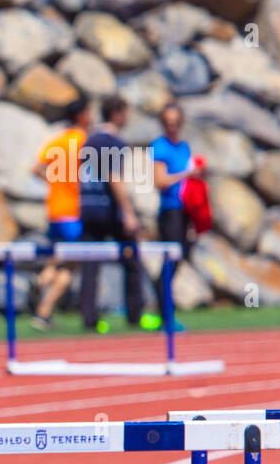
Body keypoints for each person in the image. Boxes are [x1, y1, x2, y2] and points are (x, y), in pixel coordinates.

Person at [78, 95, 147, 333]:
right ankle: (136, 315)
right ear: (117, 113)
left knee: (90, 265)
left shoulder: (88, 141)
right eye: (126, 113)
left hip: (87, 207)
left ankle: (89, 319)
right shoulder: (115, 143)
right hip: (108, 209)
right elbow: (113, 177)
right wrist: (128, 212)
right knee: (132, 260)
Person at [29, 98, 92, 330]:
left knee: (56, 257)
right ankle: (43, 312)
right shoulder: (84, 141)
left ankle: (42, 278)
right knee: (70, 266)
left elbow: (36, 167)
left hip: (54, 209)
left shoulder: (57, 141)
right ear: (82, 115)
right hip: (73, 211)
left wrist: (54, 181)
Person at [148, 101, 201, 332]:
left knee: (178, 261)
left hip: (185, 211)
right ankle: (165, 315)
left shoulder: (184, 147)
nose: (173, 127)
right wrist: (185, 174)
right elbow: (159, 181)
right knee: (170, 261)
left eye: (177, 123)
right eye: (169, 123)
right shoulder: (159, 147)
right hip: (170, 211)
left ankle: (166, 311)